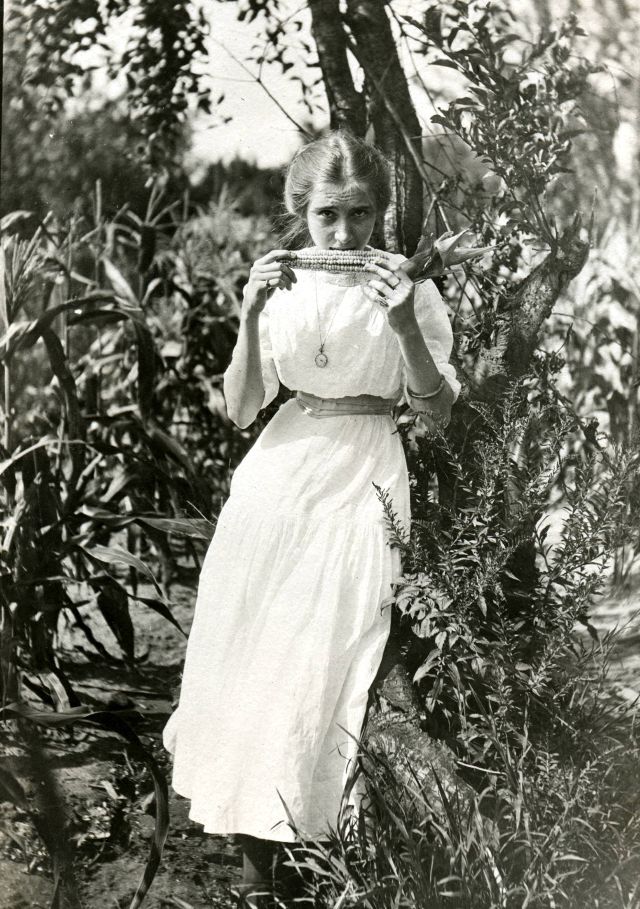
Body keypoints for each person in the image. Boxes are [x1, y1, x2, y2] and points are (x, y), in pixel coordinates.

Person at [162, 130, 461, 906]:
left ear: (380, 214)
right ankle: (256, 872)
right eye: (328, 215)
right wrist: (249, 312)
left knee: (326, 655)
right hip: (279, 472)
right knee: (254, 658)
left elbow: (437, 412)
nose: (344, 234)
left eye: (361, 215)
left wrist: (400, 325)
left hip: (363, 465)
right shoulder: (281, 285)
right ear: (302, 210)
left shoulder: (410, 293)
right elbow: (239, 407)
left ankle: (316, 851)